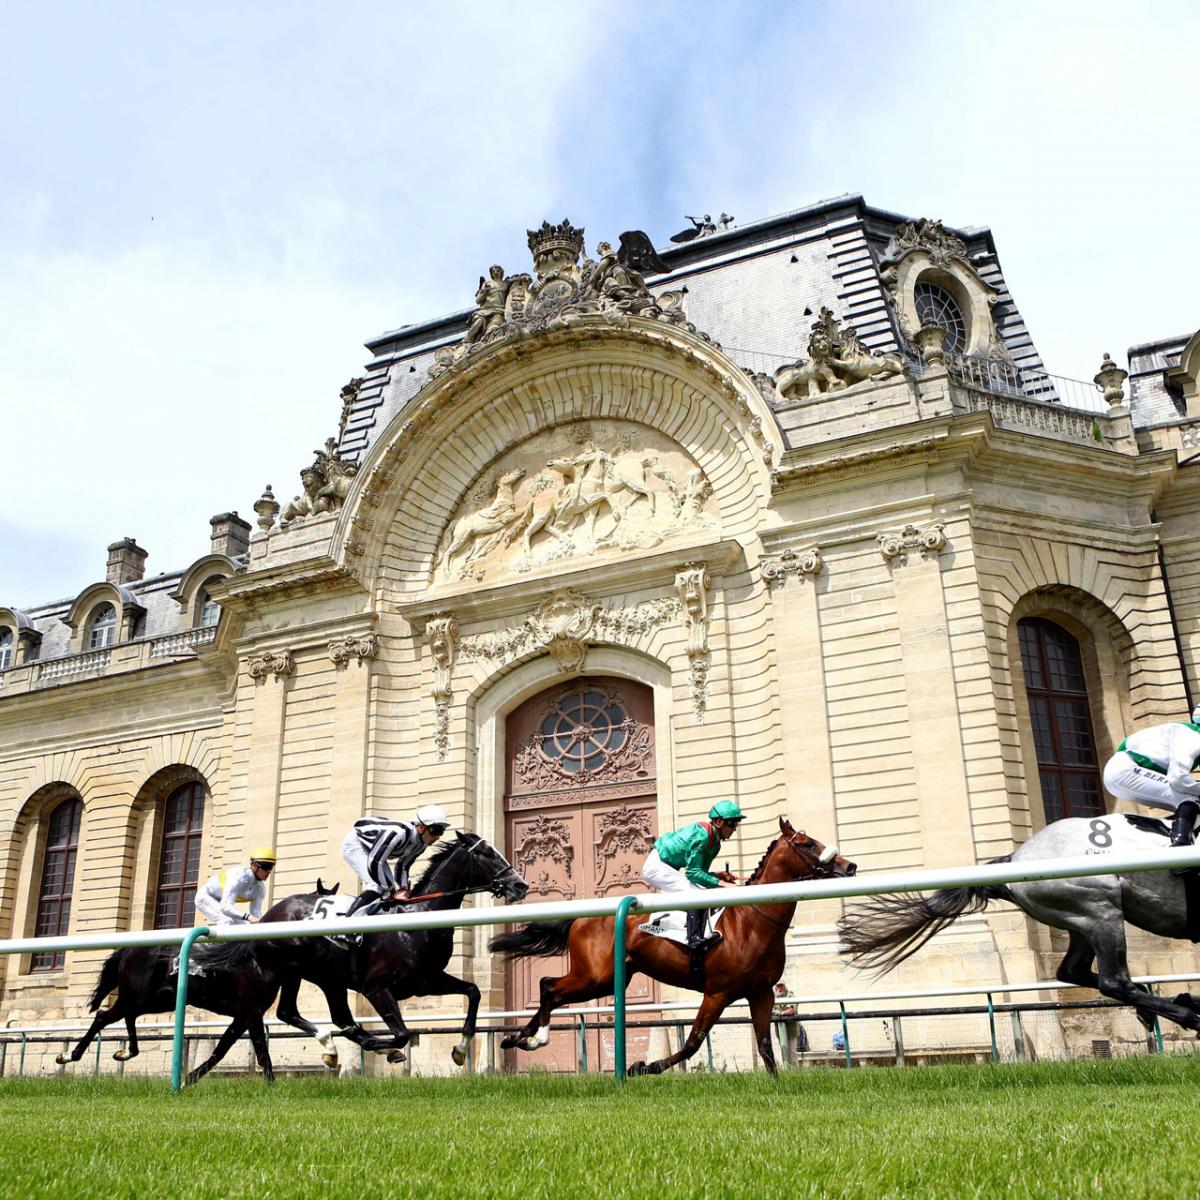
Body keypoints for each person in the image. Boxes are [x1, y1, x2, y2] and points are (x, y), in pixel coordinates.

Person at [641, 800, 743, 953]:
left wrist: (720, 877)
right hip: (656, 865)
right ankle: (694, 940)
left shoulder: (715, 844)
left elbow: (698, 874)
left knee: (698, 891)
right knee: (695, 895)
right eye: (732, 824)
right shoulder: (702, 835)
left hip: (669, 866)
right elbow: (693, 874)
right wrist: (723, 884)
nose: (734, 829)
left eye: (736, 825)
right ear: (719, 821)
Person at [1103, 706, 1200, 861]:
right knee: (1190, 798)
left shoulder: (1188, 733)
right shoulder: (1193, 737)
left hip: (1123, 770)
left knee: (1185, 802)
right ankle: (1180, 850)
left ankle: (1175, 835)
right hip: (1127, 770)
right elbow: (1178, 778)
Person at [340, 805, 450, 916]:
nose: (437, 837)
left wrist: (403, 890)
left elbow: (403, 866)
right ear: (421, 828)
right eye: (435, 831)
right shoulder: (398, 833)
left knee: (390, 890)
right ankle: (347, 924)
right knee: (377, 887)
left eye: (441, 832)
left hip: (374, 853)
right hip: (356, 844)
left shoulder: (421, 845)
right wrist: (394, 891)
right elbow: (375, 862)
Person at [194, 848, 276, 925]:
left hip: (222, 901)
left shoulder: (261, 889)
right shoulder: (237, 878)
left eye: (271, 867)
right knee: (226, 921)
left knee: (244, 927)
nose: (269, 871)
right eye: (266, 867)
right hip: (206, 896)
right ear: (254, 866)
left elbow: (256, 914)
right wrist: (248, 917)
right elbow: (225, 908)